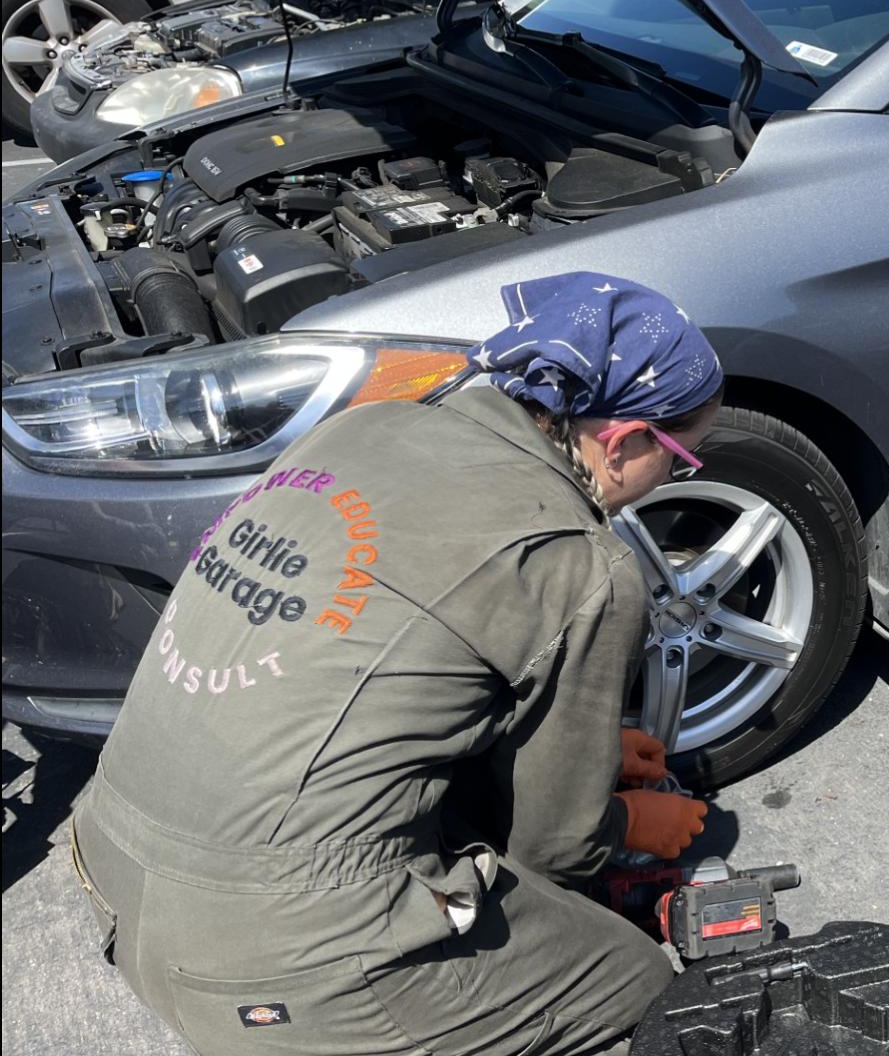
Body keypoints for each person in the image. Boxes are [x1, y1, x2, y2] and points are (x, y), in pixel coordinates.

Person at [69, 272, 724, 1056]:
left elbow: (382, 671)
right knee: (636, 982)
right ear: (621, 444)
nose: (679, 478)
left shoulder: (364, 428)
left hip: (110, 869)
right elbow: (553, 850)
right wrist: (627, 819)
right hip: (264, 965)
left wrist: (592, 753)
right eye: (683, 458)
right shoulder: (577, 562)